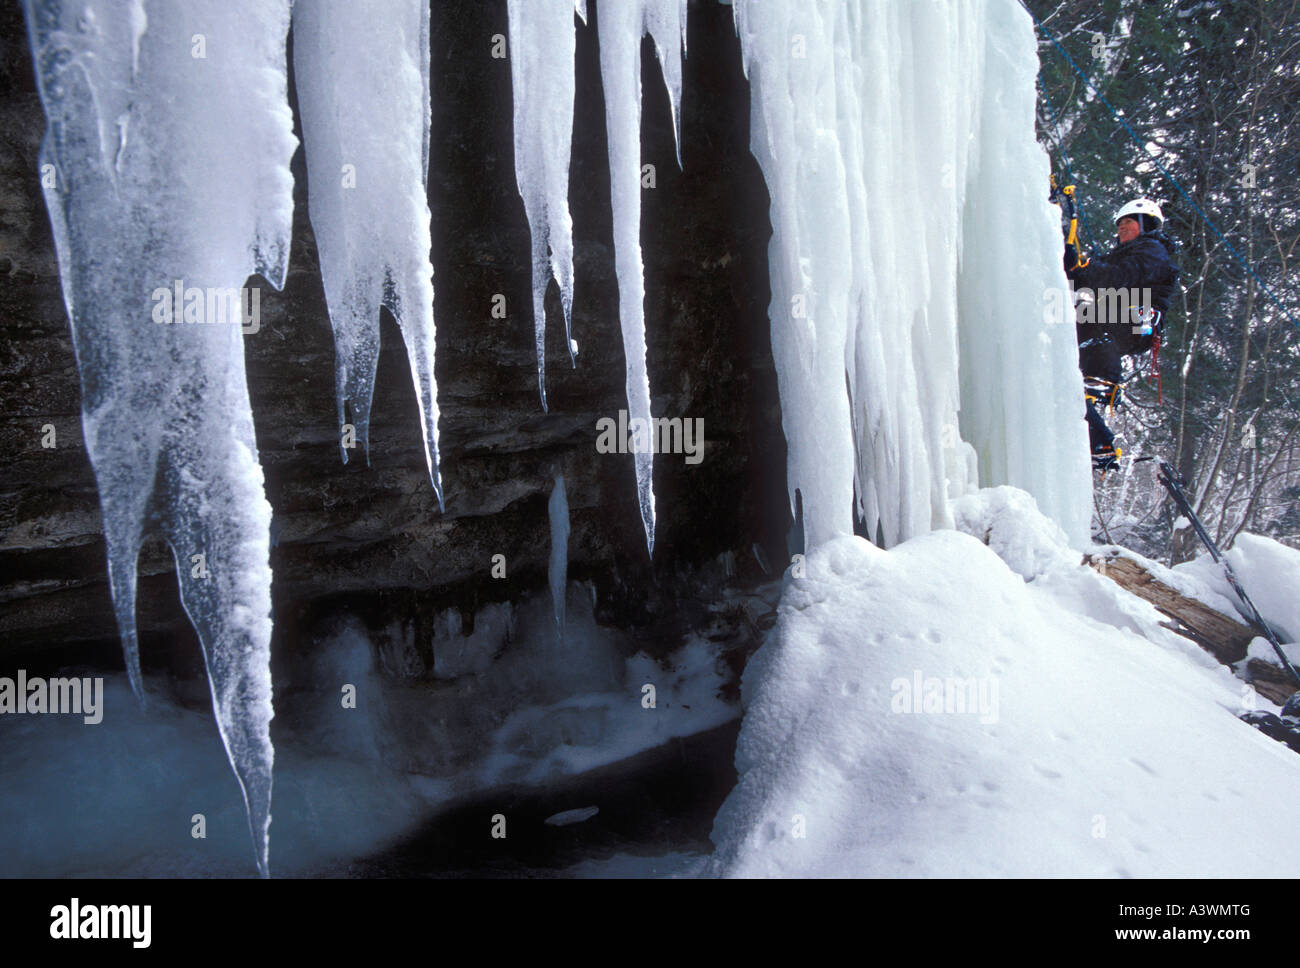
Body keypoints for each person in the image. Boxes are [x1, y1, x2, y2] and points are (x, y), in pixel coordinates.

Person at [1065, 198, 1178, 470]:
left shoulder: (1152, 250)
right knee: (1081, 312)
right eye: (1120, 224)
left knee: (1092, 313)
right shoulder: (1121, 255)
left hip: (1139, 318)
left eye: (1129, 222)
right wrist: (1071, 265)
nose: (1122, 228)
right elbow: (1092, 277)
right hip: (1120, 317)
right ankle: (1095, 430)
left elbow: (1119, 276)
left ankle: (1103, 379)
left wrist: (1084, 268)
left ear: (1146, 225)